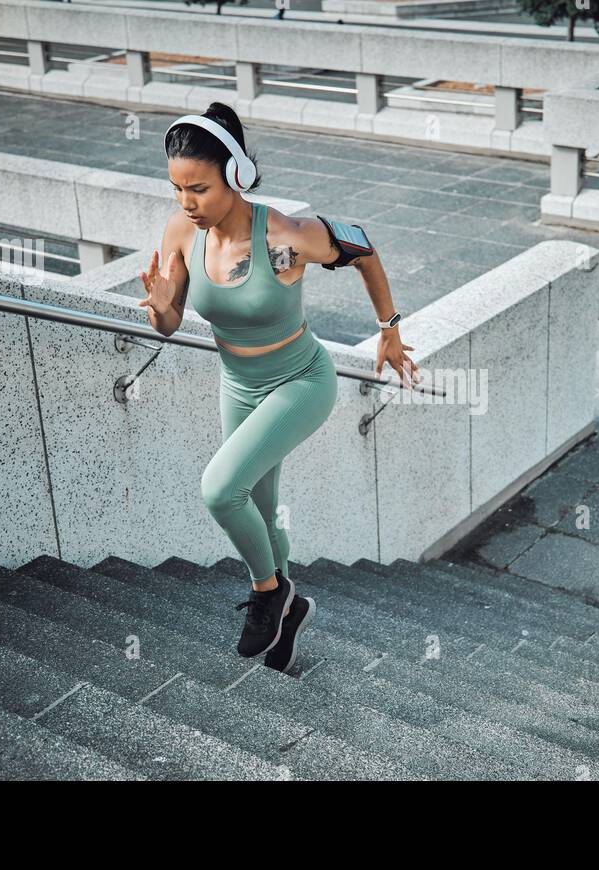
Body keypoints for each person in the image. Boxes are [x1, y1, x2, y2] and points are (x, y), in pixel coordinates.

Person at [137, 102, 419, 672]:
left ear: (237, 176)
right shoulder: (182, 234)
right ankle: (289, 618)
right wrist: (164, 312)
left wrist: (388, 330)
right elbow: (168, 323)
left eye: (199, 188)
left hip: (299, 381)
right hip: (237, 383)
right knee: (261, 515)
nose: (186, 202)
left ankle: (269, 593)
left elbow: (363, 248)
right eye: (177, 189)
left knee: (220, 490)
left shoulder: (285, 238)